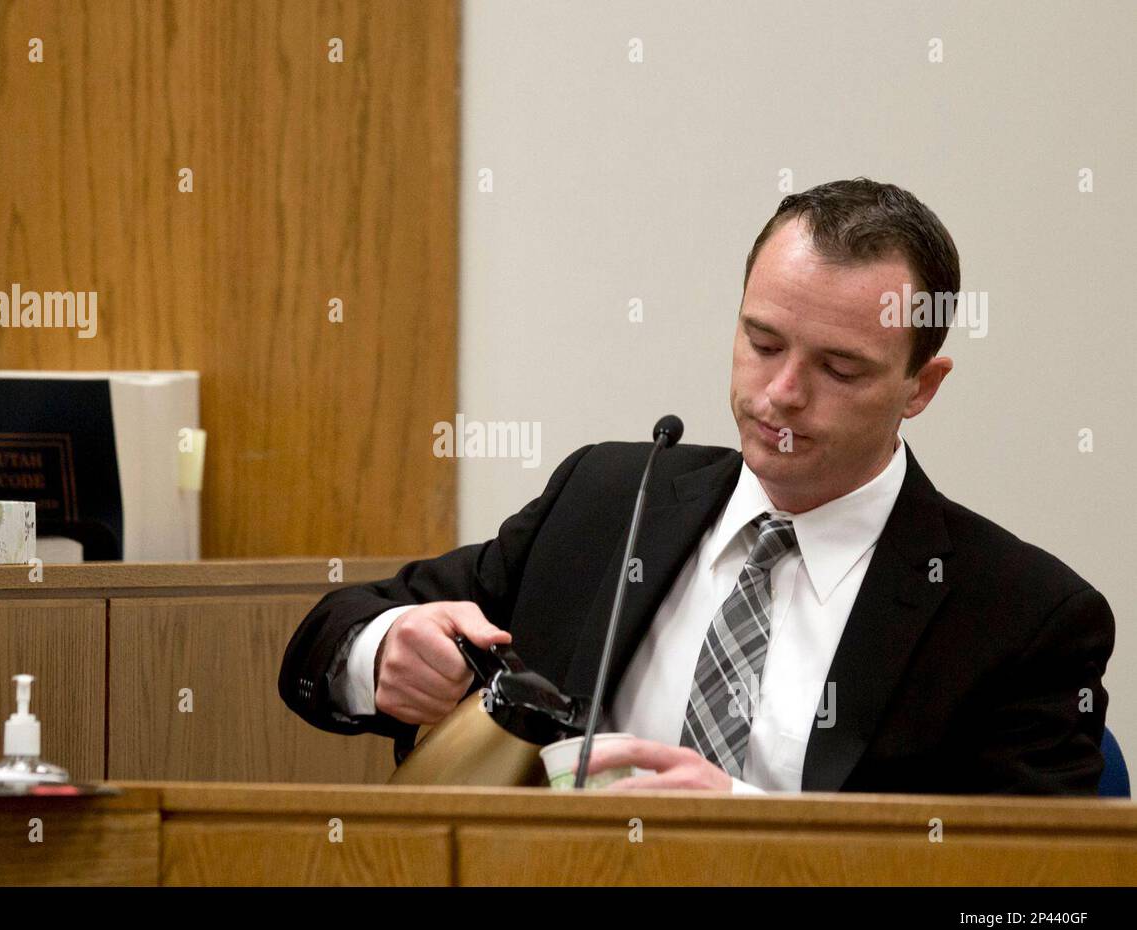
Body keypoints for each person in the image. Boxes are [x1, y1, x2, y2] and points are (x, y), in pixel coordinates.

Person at [279, 178, 1114, 795]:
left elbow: (1035, 911)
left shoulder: (1022, 617)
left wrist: (753, 835)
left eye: (839, 368)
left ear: (920, 388)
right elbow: (328, 636)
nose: (782, 393)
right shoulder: (608, 498)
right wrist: (383, 650)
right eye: (763, 342)